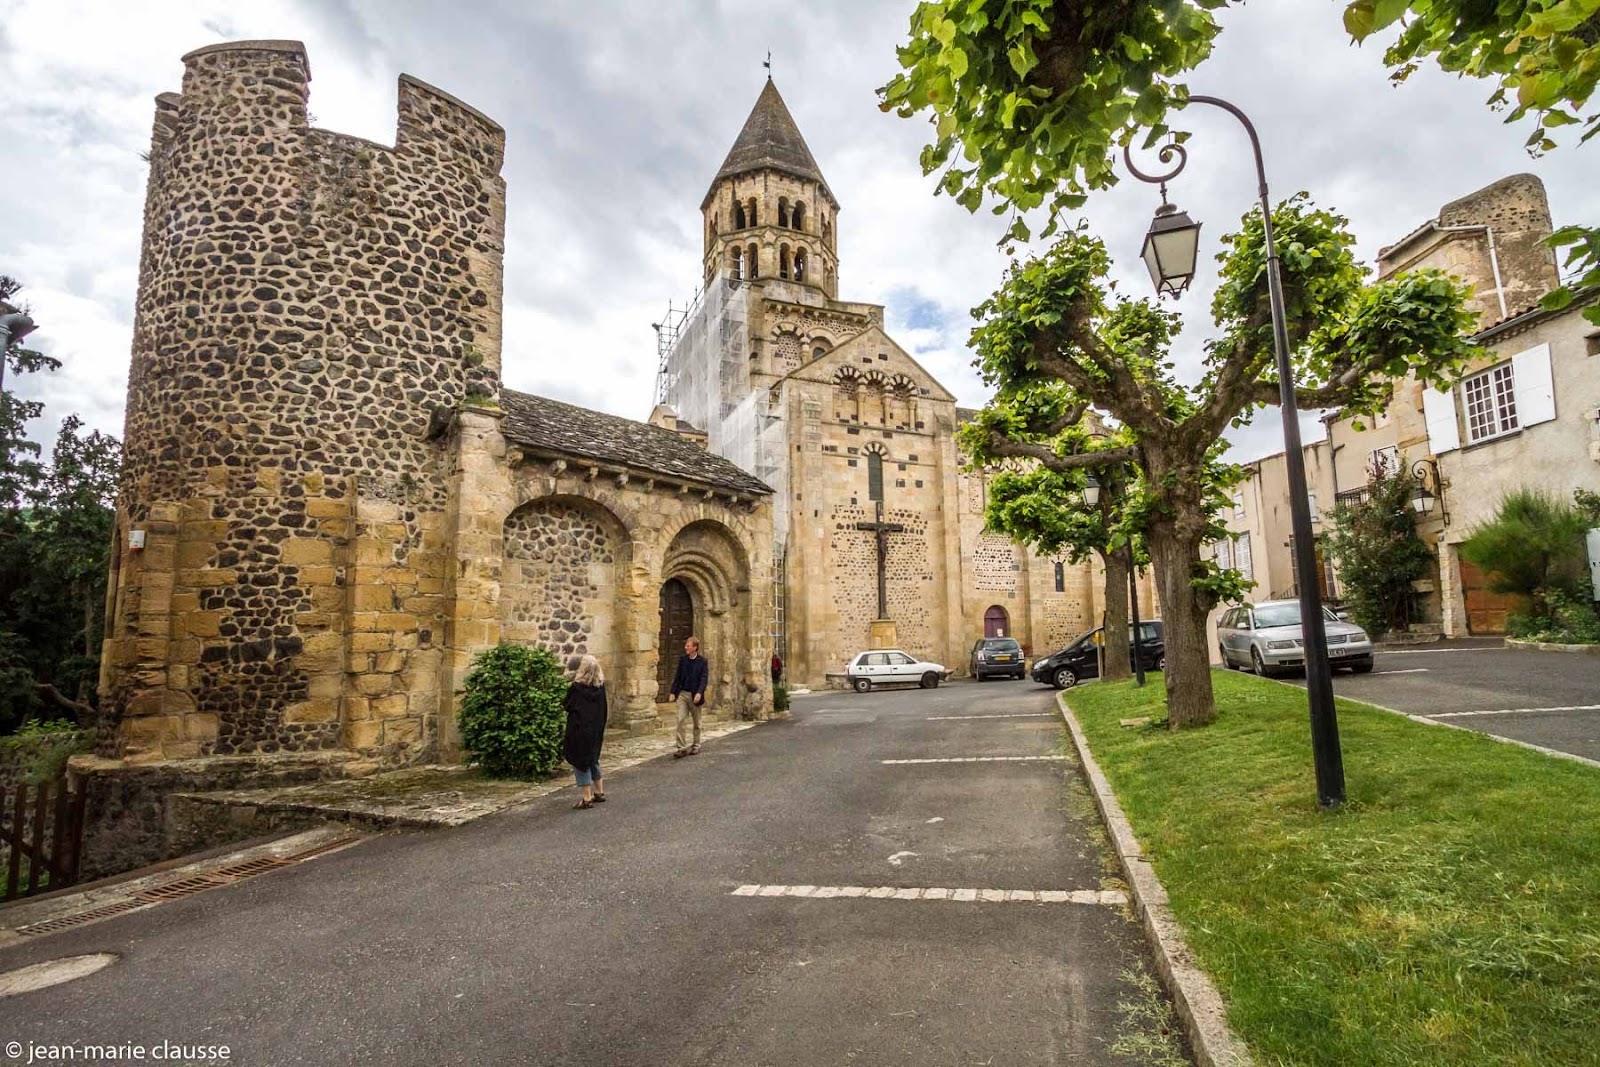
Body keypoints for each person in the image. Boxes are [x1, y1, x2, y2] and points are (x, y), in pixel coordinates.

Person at [562, 655, 608, 809]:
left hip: (579, 730)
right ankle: (599, 792)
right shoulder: (600, 688)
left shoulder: (576, 688)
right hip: (596, 729)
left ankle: (587, 798)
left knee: (580, 762)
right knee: (593, 758)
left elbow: (567, 705)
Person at [669, 636, 709, 758]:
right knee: (680, 719)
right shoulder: (683, 660)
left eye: (688, 646)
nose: (685, 647)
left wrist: (699, 693)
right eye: (686, 645)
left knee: (697, 722)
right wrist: (673, 692)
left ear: (695, 647)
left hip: (695, 695)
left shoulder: (702, 661)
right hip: (683, 694)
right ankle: (681, 748)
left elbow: (704, 678)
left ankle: (696, 745)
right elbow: (677, 677)